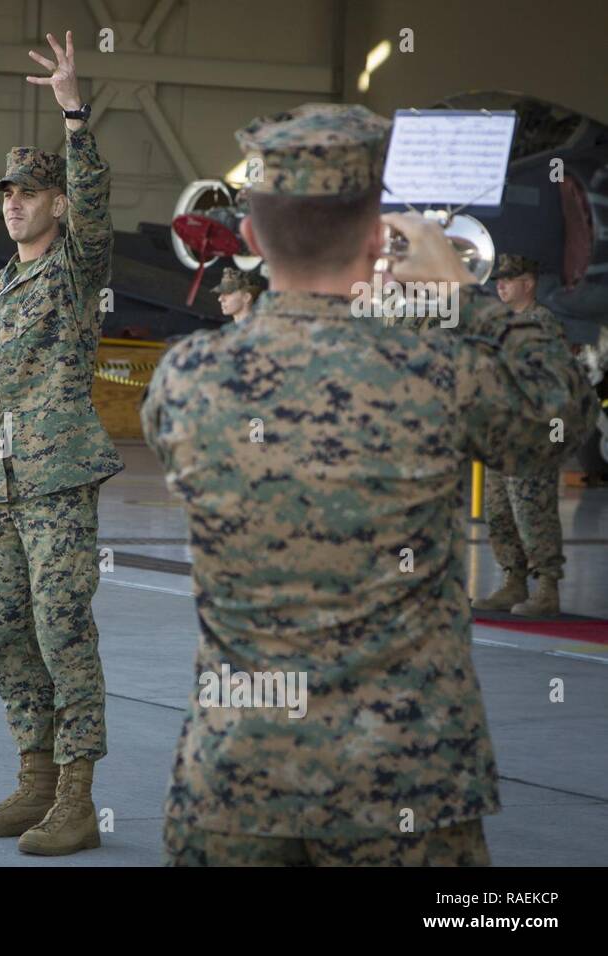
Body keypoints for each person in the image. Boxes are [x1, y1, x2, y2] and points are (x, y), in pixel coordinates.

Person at [140, 103, 596, 866]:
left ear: (250, 240)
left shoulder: (185, 381)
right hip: (405, 782)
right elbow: (559, 415)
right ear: (374, 237)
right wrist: (461, 298)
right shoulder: (436, 372)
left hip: (235, 782)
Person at [0, 30, 121, 856]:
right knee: (7, 633)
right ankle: (34, 783)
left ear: (57, 204)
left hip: (59, 475)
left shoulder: (77, 268)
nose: (13, 202)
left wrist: (73, 113)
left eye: (30, 193)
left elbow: (98, 198)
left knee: (61, 629)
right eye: (7, 192)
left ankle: (76, 799)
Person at [473, 254, 569, 616]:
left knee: (533, 510)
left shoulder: (542, 323)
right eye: (499, 279)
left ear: (528, 283)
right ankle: (513, 581)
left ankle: (546, 587)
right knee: (499, 511)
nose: (500, 285)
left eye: (509, 279)